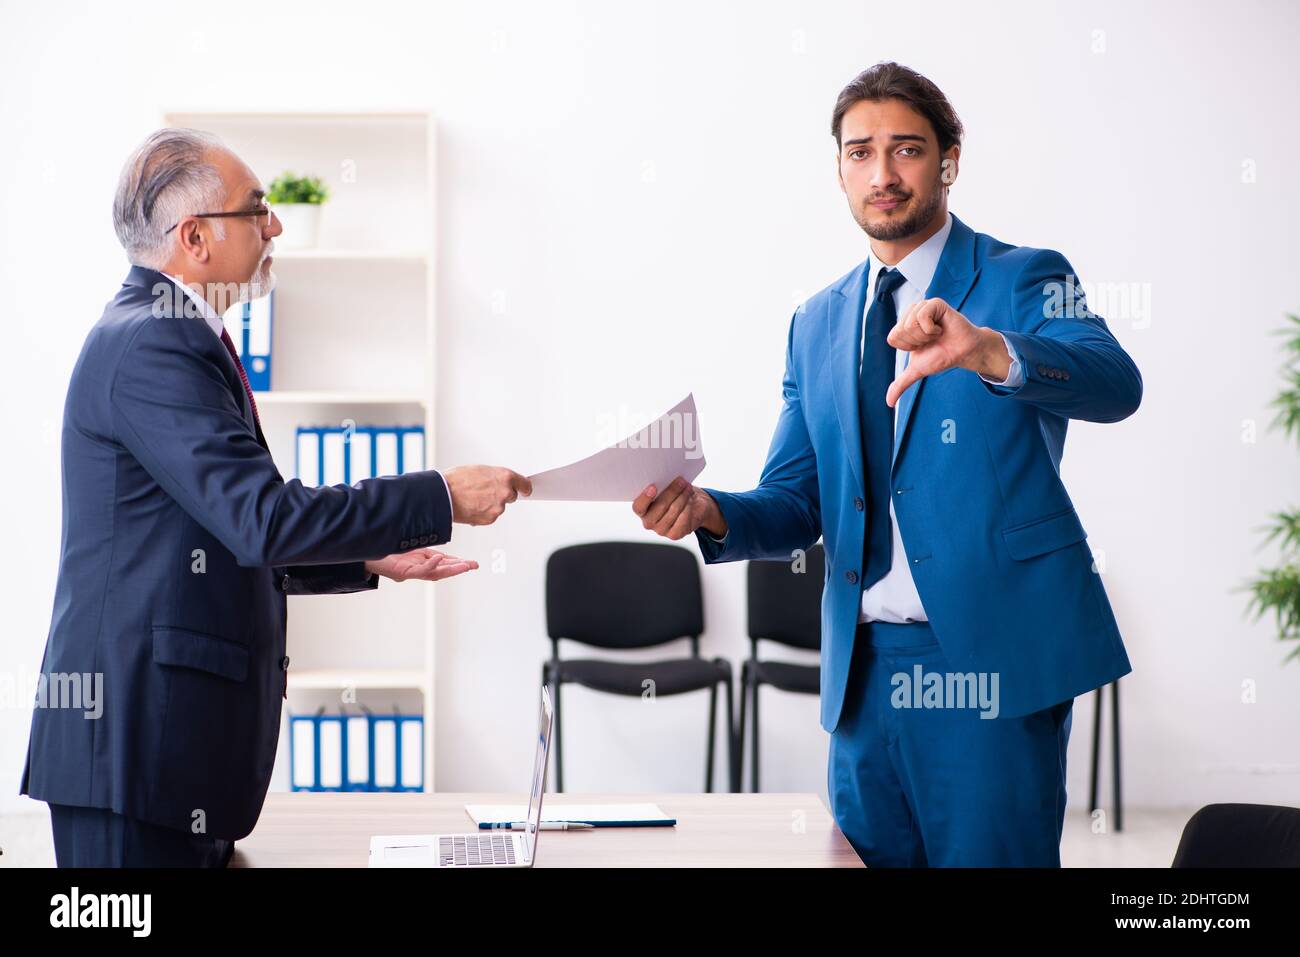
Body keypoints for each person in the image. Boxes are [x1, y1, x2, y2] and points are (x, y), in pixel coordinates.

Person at [632, 62, 1142, 866]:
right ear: (837, 168)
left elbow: (1116, 383)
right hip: (864, 674)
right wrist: (710, 511)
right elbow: (799, 499)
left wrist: (989, 350)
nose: (882, 173)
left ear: (949, 159)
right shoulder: (818, 320)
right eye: (860, 152)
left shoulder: (1023, 276)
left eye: (906, 150)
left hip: (991, 661)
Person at [21, 128, 531, 867]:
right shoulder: (153, 345)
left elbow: (220, 535)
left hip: (164, 756)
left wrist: (368, 558)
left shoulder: (173, 335)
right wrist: (442, 492)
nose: (277, 225)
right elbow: (260, 519)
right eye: (256, 209)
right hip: (133, 751)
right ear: (194, 238)